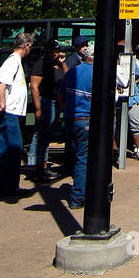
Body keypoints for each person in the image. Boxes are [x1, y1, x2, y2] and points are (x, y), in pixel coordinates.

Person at [0, 32, 32, 196]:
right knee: (14, 148)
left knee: (5, 149)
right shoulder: (13, 61)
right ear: (26, 46)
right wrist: (2, 104)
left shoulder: (14, 61)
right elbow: (1, 83)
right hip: (9, 113)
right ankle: (10, 186)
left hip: (10, 112)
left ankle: (0, 184)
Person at [59, 41, 93, 209]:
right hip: (86, 119)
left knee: (76, 156)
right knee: (83, 160)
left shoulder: (72, 71)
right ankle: (78, 197)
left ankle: (81, 190)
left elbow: (61, 95)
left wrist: (65, 110)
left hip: (70, 119)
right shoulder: (97, 73)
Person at [27, 42, 66, 184]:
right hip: (45, 102)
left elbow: (68, 77)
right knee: (40, 135)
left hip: (55, 102)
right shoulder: (41, 64)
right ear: (47, 51)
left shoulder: (57, 64)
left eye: (57, 51)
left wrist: (63, 63)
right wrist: (38, 108)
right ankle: (35, 168)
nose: (55, 54)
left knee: (46, 135)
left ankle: (43, 166)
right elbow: (34, 87)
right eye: (53, 51)